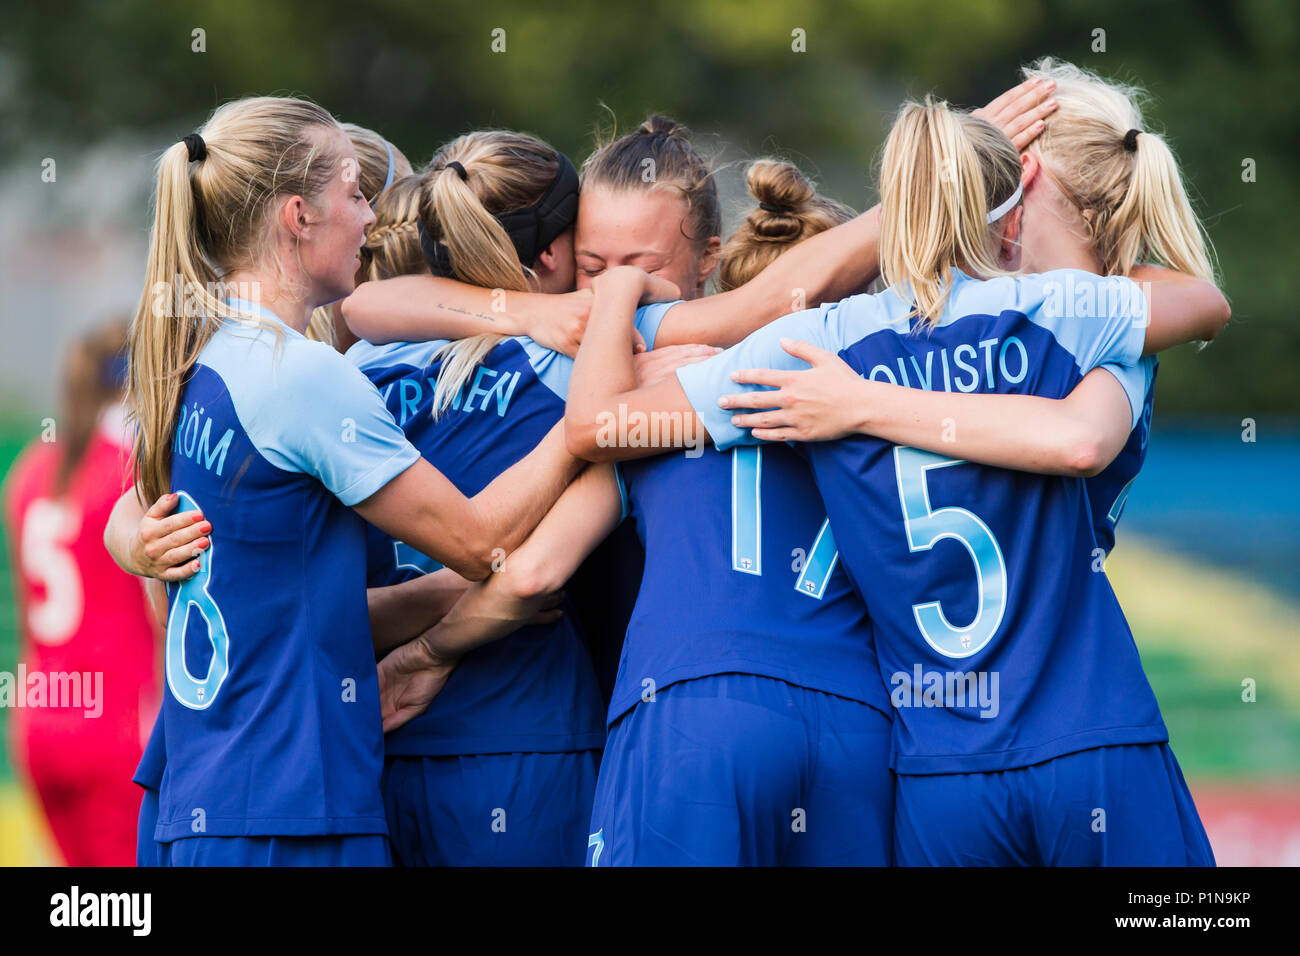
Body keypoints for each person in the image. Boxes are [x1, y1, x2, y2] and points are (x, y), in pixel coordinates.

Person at [565, 96, 1223, 866]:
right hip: (1088, 732)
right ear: (1003, 206)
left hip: (940, 768)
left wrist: (626, 304)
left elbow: (599, 428)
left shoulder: (816, 345)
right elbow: (1205, 305)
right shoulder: (1061, 310)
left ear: (890, 204)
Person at [117, 95, 581, 866]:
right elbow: (481, 542)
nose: (373, 218)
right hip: (292, 811)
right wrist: (589, 426)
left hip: (206, 797)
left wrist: (435, 603)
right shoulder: (300, 377)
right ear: (299, 215)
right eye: (357, 193)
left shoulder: (197, 354)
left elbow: (287, 599)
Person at [3, 320, 159, 866]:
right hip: (113, 722)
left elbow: (28, 619)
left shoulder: (30, 472)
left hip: (40, 720)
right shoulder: (129, 468)